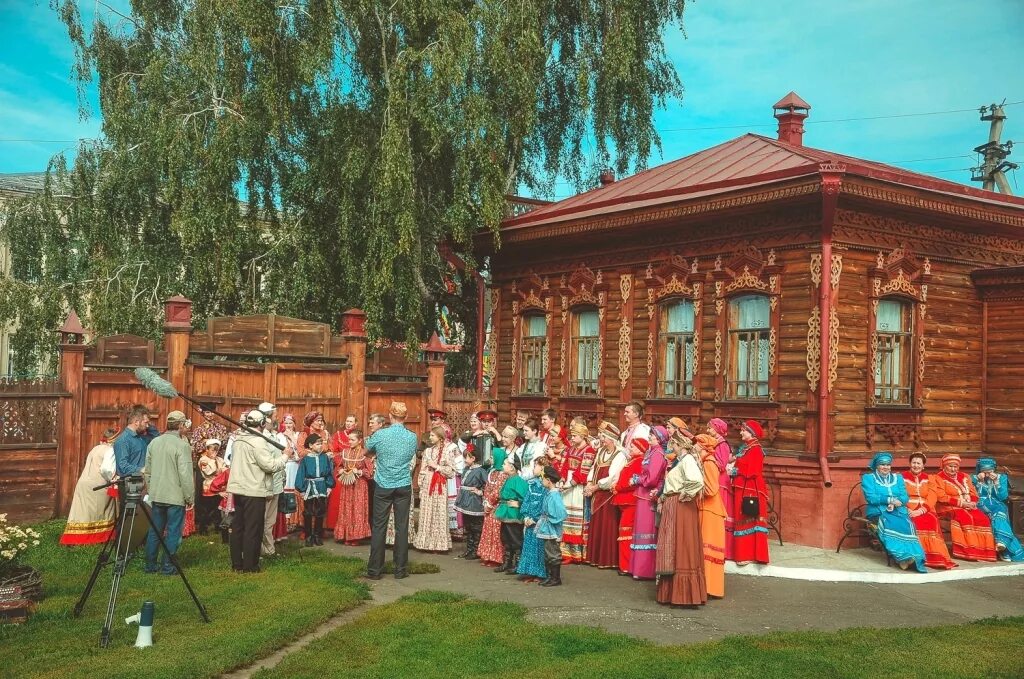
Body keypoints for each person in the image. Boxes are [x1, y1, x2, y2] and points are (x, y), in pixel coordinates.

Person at [226, 409, 289, 573]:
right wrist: (285, 456)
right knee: (253, 529)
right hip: (253, 490)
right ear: (262, 424)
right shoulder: (259, 442)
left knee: (238, 526)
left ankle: (236, 564)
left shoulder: (238, 439)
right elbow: (269, 466)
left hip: (238, 489)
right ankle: (250, 565)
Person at [365, 401, 418, 580]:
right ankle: (400, 569)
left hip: (383, 484)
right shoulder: (412, 437)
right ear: (405, 417)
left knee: (379, 526)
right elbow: (411, 455)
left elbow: (367, 449)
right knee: (401, 527)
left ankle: (374, 570)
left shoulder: (381, 435)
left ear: (390, 416)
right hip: (403, 484)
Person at [656, 434, 707, 607]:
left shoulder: (688, 461)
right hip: (674, 504)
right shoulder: (682, 461)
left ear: (679, 445)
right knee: (673, 545)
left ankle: (684, 596)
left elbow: (696, 481)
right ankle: (672, 593)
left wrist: (684, 494)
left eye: (674, 445)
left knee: (682, 545)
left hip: (681, 507)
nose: (672, 448)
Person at [143, 411, 195, 575]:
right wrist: (189, 497)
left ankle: (150, 565)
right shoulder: (182, 445)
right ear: (180, 425)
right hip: (175, 496)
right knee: (173, 531)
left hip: (157, 494)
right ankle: (168, 566)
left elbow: (148, 472)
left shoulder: (154, 443)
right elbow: (185, 474)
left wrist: (152, 490)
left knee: (155, 530)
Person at [861, 453, 927, 572]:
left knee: (908, 524)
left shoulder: (898, 478)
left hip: (898, 510)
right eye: (882, 465)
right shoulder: (869, 478)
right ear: (877, 466)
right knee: (892, 524)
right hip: (878, 512)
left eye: (888, 465)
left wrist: (897, 502)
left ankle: (913, 557)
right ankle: (901, 558)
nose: (886, 467)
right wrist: (889, 500)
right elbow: (871, 497)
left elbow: (905, 497)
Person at [934, 453, 997, 562]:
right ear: (944, 466)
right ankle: (967, 552)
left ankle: (983, 552)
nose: (953, 469)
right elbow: (941, 497)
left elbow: (973, 492)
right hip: (947, 508)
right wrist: (962, 504)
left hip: (968, 506)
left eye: (956, 466)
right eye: (950, 466)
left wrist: (972, 502)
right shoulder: (938, 478)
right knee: (964, 517)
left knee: (983, 518)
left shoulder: (965, 476)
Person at [60, 428, 119, 546]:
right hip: (98, 484)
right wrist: (113, 478)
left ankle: (75, 540)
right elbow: (106, 469)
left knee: (82, 513)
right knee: (99, 513)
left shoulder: (95, 448)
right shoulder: (109, 450)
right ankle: (95, 539)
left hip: (83, 483)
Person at [901, 453, 957, 569]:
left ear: (923, 466)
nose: (916, 465)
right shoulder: (901, 477)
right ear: (910, 464)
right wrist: (907, 508)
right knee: (913, 523)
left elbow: (932, 497)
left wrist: (921, 510)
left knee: (930, 521)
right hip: (908, 507)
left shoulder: (930, 479)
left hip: (926, 508)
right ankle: (915, 556)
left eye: (918, 463)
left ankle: (935, 557)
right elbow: (900, 494)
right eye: (914, 463)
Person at [584, 421, 628, 569]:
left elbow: (613, 478)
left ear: (611, 438)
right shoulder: (601, 451)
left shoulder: (619, 455)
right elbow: (594, 468)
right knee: (597, 525)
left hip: (608, 496)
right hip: (597, 494)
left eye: (604, 436)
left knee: (607, 526)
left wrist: (596, 487)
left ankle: (607, 559)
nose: (601, 439)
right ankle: (595, 557)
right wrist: (589, 483)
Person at [728, 420, 770, 565]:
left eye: (743, 431)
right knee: (742, 517)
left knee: (750, 518)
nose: (741, 433)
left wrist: (734, 468)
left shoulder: (756, 449)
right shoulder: (747, 448)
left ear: (751, 433)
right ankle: (742, 554)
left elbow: (752, 470)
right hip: (743, 487)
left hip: (752, 489)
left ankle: (751, 555)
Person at [629, 426, 667, 580]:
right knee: (640, 530)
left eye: (654, 435)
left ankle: (646, 570)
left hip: (649, 496)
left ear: (660, 439)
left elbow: (652, 478)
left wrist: (637, 479)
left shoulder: (658, 453)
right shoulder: (651, 451)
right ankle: (638, 568)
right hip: (643, 494)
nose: (650, 437)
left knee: (647, 532)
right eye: (650, 434)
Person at [557, 421, 596, 564]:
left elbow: (583, 471)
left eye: (574, 436)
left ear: (582, 436)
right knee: (566, 517)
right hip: (568, 483)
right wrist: (561, 480)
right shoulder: (570, 449)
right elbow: (564, 465)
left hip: (578, 487)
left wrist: (570, 484)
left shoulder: (589, 451)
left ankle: (578, 554)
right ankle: (566, 553)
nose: (572, 439)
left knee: (577, 519)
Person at [694, 434, 727, 597]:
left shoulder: (709, 463)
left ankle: (710, 587)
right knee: (704, 548)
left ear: (703, 447)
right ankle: (705, 586)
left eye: (697, 444)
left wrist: (693, 489)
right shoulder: (703, 462)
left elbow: (711, 489)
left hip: (711, 510)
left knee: (708, 549)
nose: (694, 447)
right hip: (706, 509)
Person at [414, 426, 456, 553]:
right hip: (428, 483)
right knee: (426, 512)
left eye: (433, 435)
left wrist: (437, 467)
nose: (430, 438)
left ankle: (438, 545)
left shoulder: (448, 451)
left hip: (439, 485)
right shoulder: (427, 451)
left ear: (440, 437)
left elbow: (451, 472)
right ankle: (425, 543)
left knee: (438, 512)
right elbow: (422, 470)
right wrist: (421, 486)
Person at [973, 457, 1024, 562]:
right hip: (981, 504)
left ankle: (1002, 546)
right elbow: (975, 496)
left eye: (990, 471)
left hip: (997, 503)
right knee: (999, 514)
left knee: (1000, 513)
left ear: (994, 470)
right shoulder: (974, 478)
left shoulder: (1001, 478)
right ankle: (1004, 550)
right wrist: (980, 482)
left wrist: (996, 482)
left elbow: (1003, 497)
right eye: (984, 472)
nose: (987, 474)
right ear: (980, 471)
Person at [256, 402, 287, 556]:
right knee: (262, 520)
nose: (277, 417)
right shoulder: (262, 437)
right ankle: (260, 549)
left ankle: (269, 549)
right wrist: (285, 456)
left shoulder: (274, 434)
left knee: (270, 520)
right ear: (267, 417)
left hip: (276, 483)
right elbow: (268, 463)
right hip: (265, 484)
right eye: (275, 415)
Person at [613, 438, 647, 575]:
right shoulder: (633, 460)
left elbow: (631, 481)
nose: (630, 448)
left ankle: (626, 566)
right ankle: (626, 564)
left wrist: (618, 487)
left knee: (626, 532)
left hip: (630, 500)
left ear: (640, 449)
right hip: (625, 500)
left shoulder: (639, 462)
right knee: (625, 531)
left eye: (633, 446)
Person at [295, 433, 335, 546]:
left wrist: (329, 486)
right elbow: (300, 474)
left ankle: (317, 535)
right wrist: (301, 489)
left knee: (320, 511)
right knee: (308, 511)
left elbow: (328, 473)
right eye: (318, 444)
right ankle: (308, 536)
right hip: (309, 486)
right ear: (311, 445)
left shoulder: (324, 458)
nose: (320, 446)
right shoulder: (306, 459)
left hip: (321, 485)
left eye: (321, 443)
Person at [334, 429, 373, 545]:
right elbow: (338, 466)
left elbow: (370, 471)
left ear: (360, 440)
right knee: (346, 508)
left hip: (360, 485)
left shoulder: (364, 453)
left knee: (358, 509)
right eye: (349, 439)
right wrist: (341, 470)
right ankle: (346, 535)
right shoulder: (345, 452)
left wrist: (360, 472)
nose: (349, 442)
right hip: (347, 485)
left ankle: (356, 537)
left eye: (352, 439)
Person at [515, 456, 549, 581]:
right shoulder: (531, 484)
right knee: (529, 546)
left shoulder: (546, 486)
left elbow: (545, 505)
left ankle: (541, 573)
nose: (533, 468)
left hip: (540, 522)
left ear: (542, 468)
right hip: (530, 522)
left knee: (539, 548)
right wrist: (526, 516)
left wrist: (536, 518)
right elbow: (527, 501)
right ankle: (530, 571)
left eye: (535, 466)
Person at [494, 455, 529, 573]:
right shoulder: (509, 479)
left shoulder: (518, 481)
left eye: (505, 464)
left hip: (513, 514)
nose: (503, 466)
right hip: (506, 512)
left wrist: (519, 503)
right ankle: (507, 562)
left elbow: (526, 497)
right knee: (506, 538)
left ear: (512, 467)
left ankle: (518, 564)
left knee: (515, 539)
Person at [534, 466, 568, 587]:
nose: (541, 481)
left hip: (551, 529)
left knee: (553, 552)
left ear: (548, 480)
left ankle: (555, 578)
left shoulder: (554, 495)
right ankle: (550, 576)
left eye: (542, 478)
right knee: (548, 552)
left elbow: (561, 513)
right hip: (547, 527)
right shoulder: (550, 494)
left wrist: (551, 519)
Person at [706, 418, 734, 560]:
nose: (708, 431)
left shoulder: (722, 444)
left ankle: (723, 549)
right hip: (714, 480)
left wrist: (707, 457)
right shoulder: (714, 443)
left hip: (720, 482)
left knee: (719, 514)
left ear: (717, 429)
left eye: (710, 428)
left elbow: (722, 464)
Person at [478, 446, 509, 567]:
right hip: (488, 506)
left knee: (496, 532)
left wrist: (490, 504)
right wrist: (485, 502)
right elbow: (487, 488)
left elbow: (497, 491)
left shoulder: (503, 474)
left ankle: (496, 557)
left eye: (492, 457)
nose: (490, 458)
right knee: (487, 530)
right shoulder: (492, 472)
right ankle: (487, 555)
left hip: (496, 507)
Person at [455, 447, 487, 559]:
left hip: (474, 502)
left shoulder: (481, 471)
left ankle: (476, 550)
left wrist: (480, 492)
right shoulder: (466, 469)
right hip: (465, 500)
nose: (464, 460)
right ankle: (469, 549)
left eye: (466, 457)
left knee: (476, 526)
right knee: (468, 526)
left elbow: (487, 485)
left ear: (473, 458)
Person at [113, 404, 159, 478]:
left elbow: (156, 436)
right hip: (130, 486)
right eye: (146, 423)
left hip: (143, 484)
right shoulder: (123, 440)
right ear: (136, 422)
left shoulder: (142, 438)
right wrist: (141, 470)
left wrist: (148, 424)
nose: (147, 426)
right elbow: (122, 467)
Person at [277, 414, 303, 532]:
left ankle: (295, 520)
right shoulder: (279, 436)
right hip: (285, 465)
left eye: (290, 423)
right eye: (286, 423)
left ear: (294, 424)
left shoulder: (298, 435)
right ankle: (286, 521)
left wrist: (292, 438)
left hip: (296, 465)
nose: (288, 425)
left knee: (295, 490)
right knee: (286, 489)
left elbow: (301, 451)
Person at [196, 439, 226, 535]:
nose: (215, 452)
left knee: (217, 509)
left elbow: (225, 472)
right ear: (207, 449)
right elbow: (208, 471)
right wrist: (213, 462)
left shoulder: (220, 459)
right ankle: (203, 528)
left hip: (219, 488)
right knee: (206, 510)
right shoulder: (203, 460)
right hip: (208, 489)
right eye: (212, 449)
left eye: (216, 450)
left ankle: (218, 526)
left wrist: (218, 471)